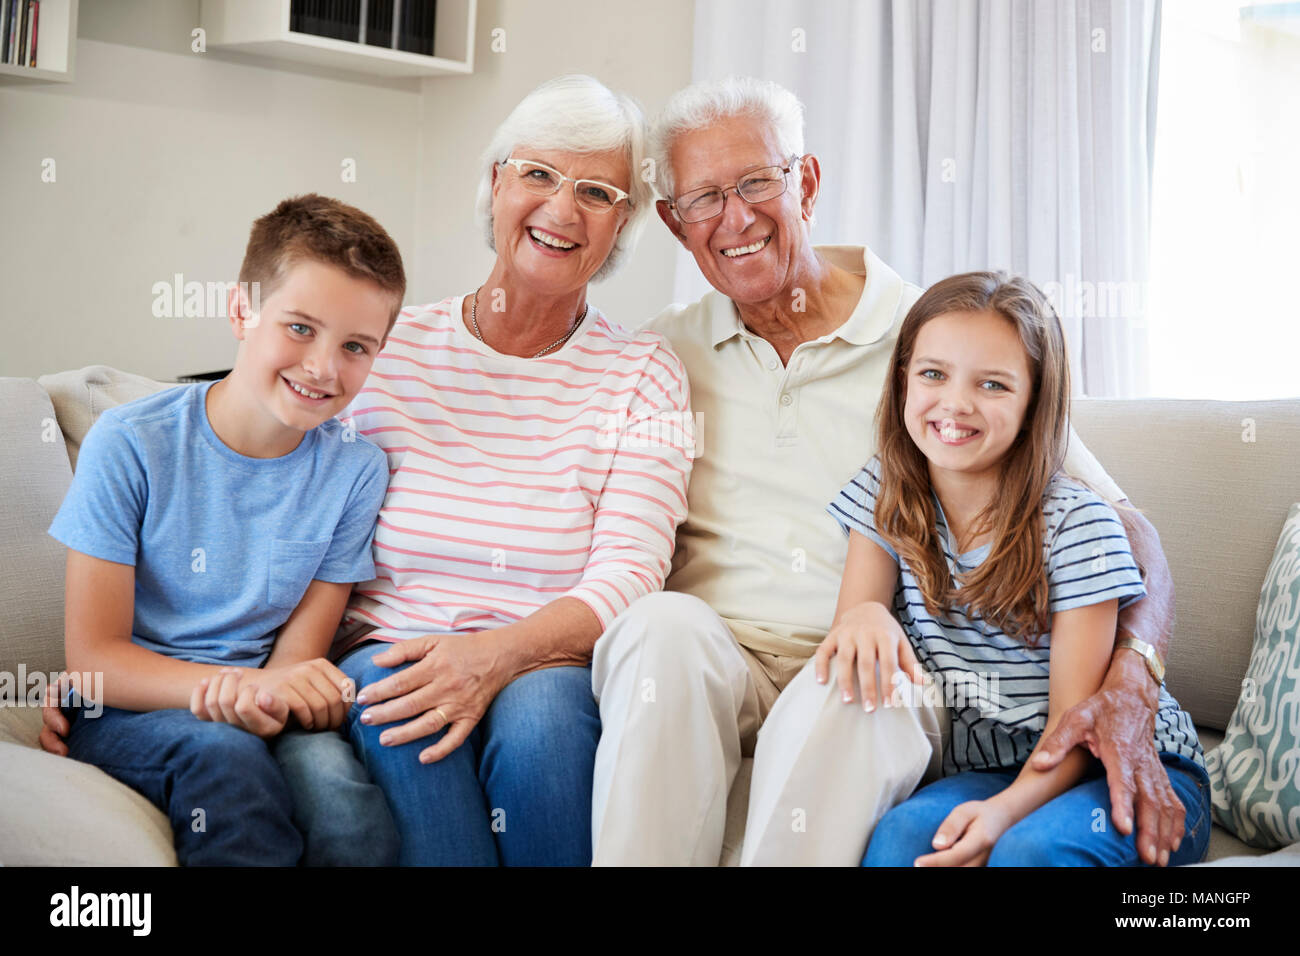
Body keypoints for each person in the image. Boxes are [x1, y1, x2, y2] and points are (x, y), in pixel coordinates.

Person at [591, 76, 1187, 866]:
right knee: (656, 627)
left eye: (758, 181)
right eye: (703, 198)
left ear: (804, 182)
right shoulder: (663, 351)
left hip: (874, 658)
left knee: (859, 681)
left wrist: (1137, 672)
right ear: (674, 221)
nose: (735, 218)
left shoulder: (936, 344)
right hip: (720, 658)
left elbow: (1123, 524)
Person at [325, 74, 692, 865]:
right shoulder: (387, 346)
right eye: (538, 175)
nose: (562, 211)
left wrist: (494, 656)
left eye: (596, 191)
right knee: (400, 714)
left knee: (546, 729)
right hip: (393, 645)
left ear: (622, 223)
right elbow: (281, 501)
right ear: (496, 183)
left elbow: (630, 574)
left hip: (548, 661)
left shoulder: (643, 371)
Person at [44, 194, 406, 865]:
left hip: (264, 696)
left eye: (355, 346)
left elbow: (298, 661)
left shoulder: (356, 472)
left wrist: (284, 691)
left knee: (345, 804)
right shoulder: (130, 443)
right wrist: (239, 693)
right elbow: (93, 661)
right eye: (300, 328)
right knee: (227, 766)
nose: (324, 367)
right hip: (135, 706)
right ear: (242, 310)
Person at [818, 272, 1208, 866]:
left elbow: (1077, 725)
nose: (955, 403)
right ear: (902, 381)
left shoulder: (1079, 525)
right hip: (989, 764)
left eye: (993, 384)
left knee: (1027, 852)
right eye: (933, 374)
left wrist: (1005, 814)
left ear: (1033, 404)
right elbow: (857, 621)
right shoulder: (885, 493)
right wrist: (866, 616)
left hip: (1115, 763)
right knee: (898, 841)